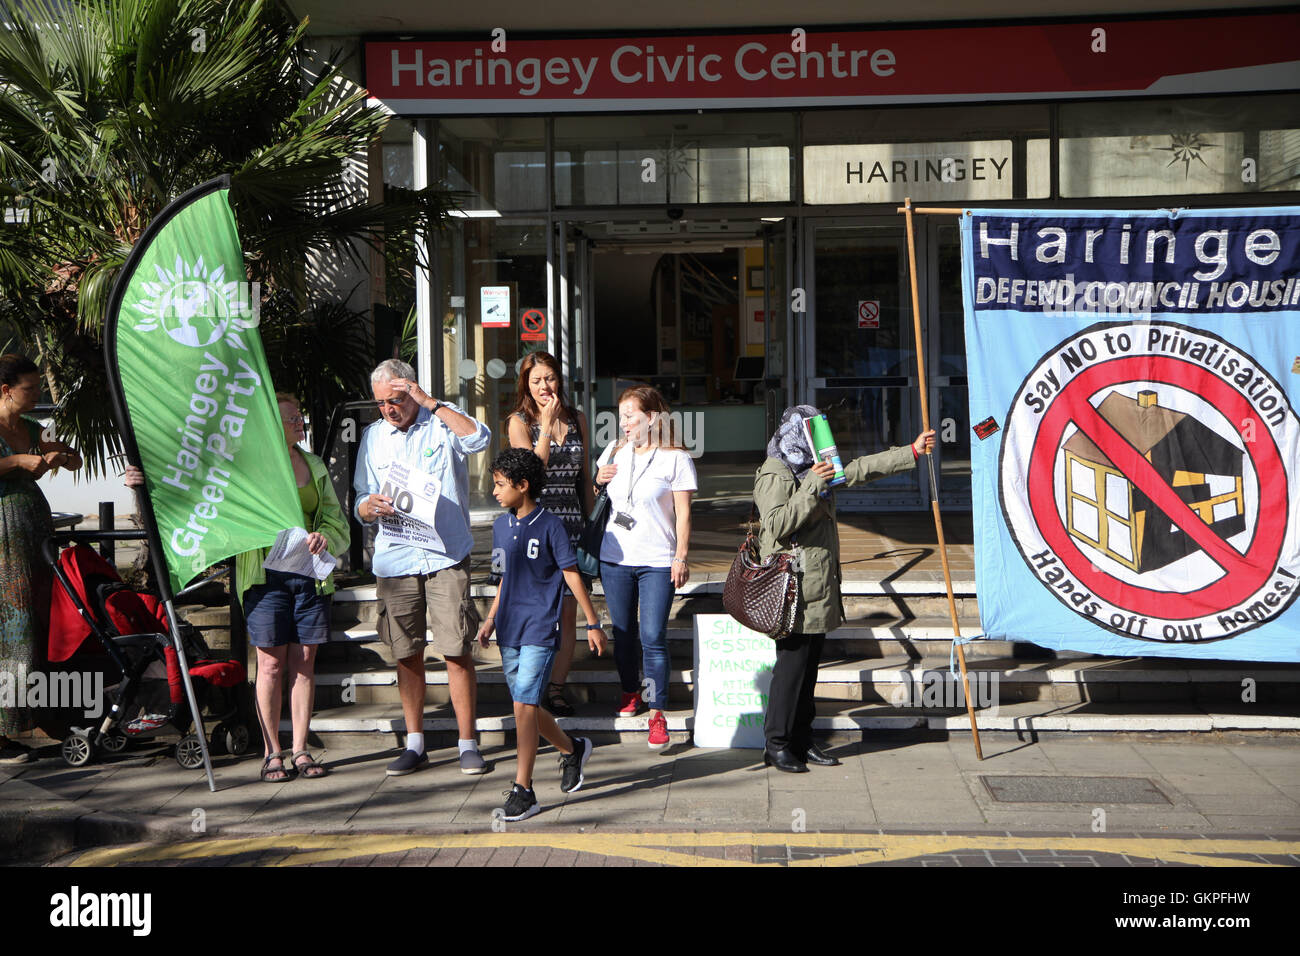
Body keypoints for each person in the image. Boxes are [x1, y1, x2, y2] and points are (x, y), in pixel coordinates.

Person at [125, 393, 349, 781]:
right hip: (263, 577)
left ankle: (300, 749)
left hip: (310, 575)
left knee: (305, 662)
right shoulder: (244, 472)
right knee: (271, 663)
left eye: (300, 416)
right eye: (292, 418)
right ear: (269, 426)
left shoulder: (312, 465)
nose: (301, 422)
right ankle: (271, 751)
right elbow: (197, 497)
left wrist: (325, 536)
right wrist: (143, 482)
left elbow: (335, 519)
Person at [755, 405, 935, 773]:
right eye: (815, 434)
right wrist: (812, 486)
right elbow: (775, 526)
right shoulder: (775, 473)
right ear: (796, 436)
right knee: (791, 669)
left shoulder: (810, 468)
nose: (824, 442)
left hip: (817, 585)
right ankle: (776, 744)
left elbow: (857, 471)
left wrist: (912, 451)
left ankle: (803, 740)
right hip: (791, 588)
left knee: (808, 672)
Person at [354, 359, 490, 776]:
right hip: (396, 556)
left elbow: (479, 439)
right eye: (380, 404)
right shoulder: (373, 438)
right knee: (406, 651)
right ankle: (416, 743)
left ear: (410, 389)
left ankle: (468, 743)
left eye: (394, 400)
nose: (388, 410)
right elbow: (360, 497)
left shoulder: (440, 424)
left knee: (455, 648)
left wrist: (430, 403)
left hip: (444, 554)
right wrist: (368, 506)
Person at [477, 448, 607, 821]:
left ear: (523, 485)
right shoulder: (501, 526)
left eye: (501, 485)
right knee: (527, 704)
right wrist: (489, 618)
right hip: (509, 628)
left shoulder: (551, 525)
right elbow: (502, 578)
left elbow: (570, 574)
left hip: (541, 626)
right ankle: (572, 749)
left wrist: (592, 622)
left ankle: (524, 790)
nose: (495, 492)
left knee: (523, 706)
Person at [593, 385, 695, 751]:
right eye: (621, 417)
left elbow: (683, 513)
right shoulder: (615, 450)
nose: (624, 424)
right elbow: (599, 495)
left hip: (656, 560)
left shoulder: (676, 459)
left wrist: (680, 556)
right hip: (615, 558)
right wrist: (597, 480)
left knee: (652, 637)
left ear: (652, 418)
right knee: (623, 634)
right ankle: (629, 691)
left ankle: (657, 713)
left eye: (630, 416)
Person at [0, 354, 82, 763]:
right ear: (6, 390)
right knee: (12, 628)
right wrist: (16, 461)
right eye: (29, 389)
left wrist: (60, 456)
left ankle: (38, 716)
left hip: (33, 527)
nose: (36, 395)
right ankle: (5, 729)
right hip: (3, 535)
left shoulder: (33, 428)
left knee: (38, 623)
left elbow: (76, 459)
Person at [506, 351, 590, 718]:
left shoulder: (578, 419)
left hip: (571, 524)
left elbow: (583, 479)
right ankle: (533, 689)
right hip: (536, 525)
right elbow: (531, 475)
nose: (544, 386)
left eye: (550, 378)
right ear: (526, 383)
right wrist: (544, 424)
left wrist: (592, 525)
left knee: (568, 613)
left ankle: (556, 689)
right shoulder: (519, 422)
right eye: (536, 380)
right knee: (541, 614)